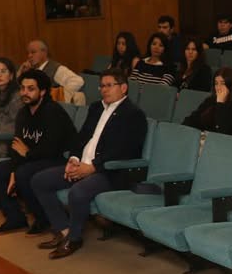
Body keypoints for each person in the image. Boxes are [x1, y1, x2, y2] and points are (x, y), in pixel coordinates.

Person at [30, 69, 148, 259]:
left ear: (123, 88)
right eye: (102, 86)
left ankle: (75, 239)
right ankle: (64, 231)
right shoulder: (96, 108)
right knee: (40, 180)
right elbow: (81, 137)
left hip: (110, 172)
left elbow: (126, 151)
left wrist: (93, 167)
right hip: (82, 165)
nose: (104, 90)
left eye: (110, 85)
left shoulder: (133, 114)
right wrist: (74, 159)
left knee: (78, 192)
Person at [0, 69, 76, 236]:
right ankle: (15, 218)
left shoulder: (53, 112)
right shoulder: (23, 112)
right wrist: (14, 167)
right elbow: (16, 145)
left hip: (58, 159)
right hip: (33, 158)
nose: (25, 93)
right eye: (22, 88)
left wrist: (26, 154)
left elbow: (51, 149)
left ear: (42, 91)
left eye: (31, 89)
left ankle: (43, 219)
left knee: (24, 173)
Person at [182, 68, 232, 136]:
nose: (218, 87)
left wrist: (220, 103)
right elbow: (193, 118)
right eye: (216, 83)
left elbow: (222, 130)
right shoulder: (210, 100)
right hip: (203, 139)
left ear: (231, 85)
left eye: (222, 83)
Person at [19, 39, 85, 104]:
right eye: (28, 53)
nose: (29, 56)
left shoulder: (55, 68)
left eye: (33, 52)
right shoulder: (30, 70)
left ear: (44, 52)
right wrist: (21, 72)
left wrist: (59, 95)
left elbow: (77, 81)